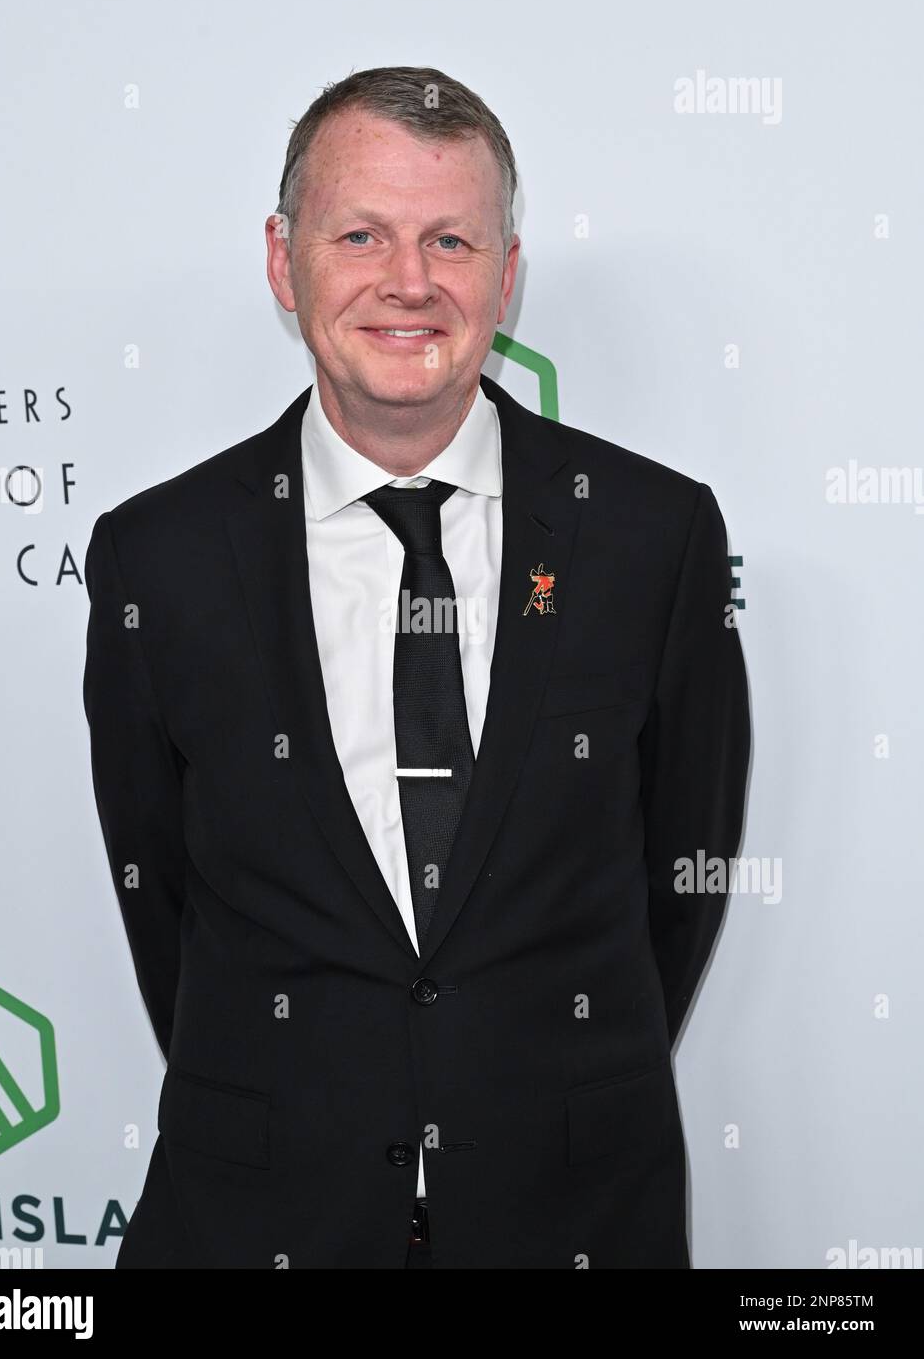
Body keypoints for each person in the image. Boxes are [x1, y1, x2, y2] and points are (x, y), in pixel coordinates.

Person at [82, 64, 750, 1269]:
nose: (408, 282)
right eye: (361, 234)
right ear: (285, 263)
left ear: (506, 275)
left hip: (577, 1214)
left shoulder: (652, 535)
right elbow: (162, 892)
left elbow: (677, 875)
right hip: (254, 1216)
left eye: (451, 238)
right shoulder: (158, 558)